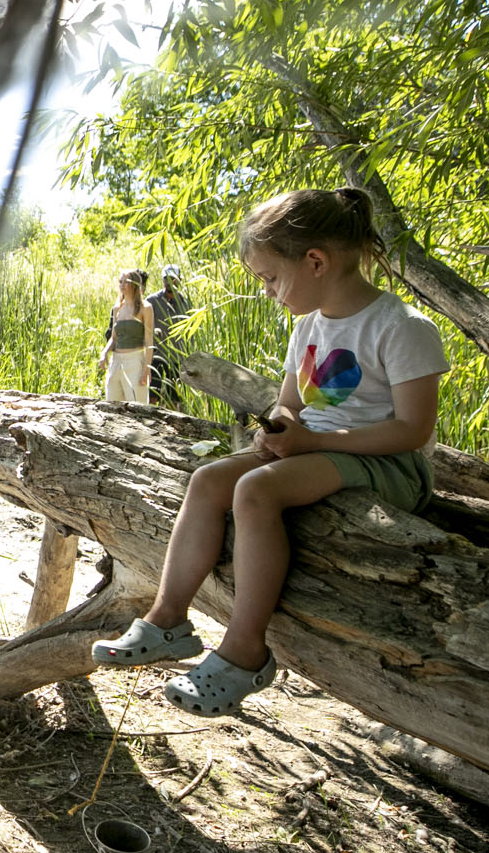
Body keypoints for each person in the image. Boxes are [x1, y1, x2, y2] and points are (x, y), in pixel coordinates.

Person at [92, 188, 448, 715]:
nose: (267, 292)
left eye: (270, 278)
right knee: (209, 480)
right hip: (317, 452)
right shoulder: (309, 326)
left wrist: (311, 441)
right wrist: (278, 430)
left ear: (316, 262)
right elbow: (290, 404)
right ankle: (167, 621)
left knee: (256, 491)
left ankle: (244, 652)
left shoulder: (401, 327)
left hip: (388, 464)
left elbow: (413, 431)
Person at [98, 268, 155, 404]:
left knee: (138, 407)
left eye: (126, 282)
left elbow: (148, 340)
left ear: (135, 284)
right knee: (112, 407)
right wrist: (104, 353)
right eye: (120, 282)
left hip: (135, 361)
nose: (122, 285)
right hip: (116, 362)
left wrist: (147, 369)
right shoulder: (117, 308)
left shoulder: (145, 308)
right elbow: (114, 338)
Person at [146, 264, 189, 409]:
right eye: (166, 279)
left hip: (177, 358)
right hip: (157, 356)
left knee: (175, 399)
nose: (169, 282)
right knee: (152, 396)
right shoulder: (152, 301)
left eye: (173, 278)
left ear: (179, 279)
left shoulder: (185, 303)